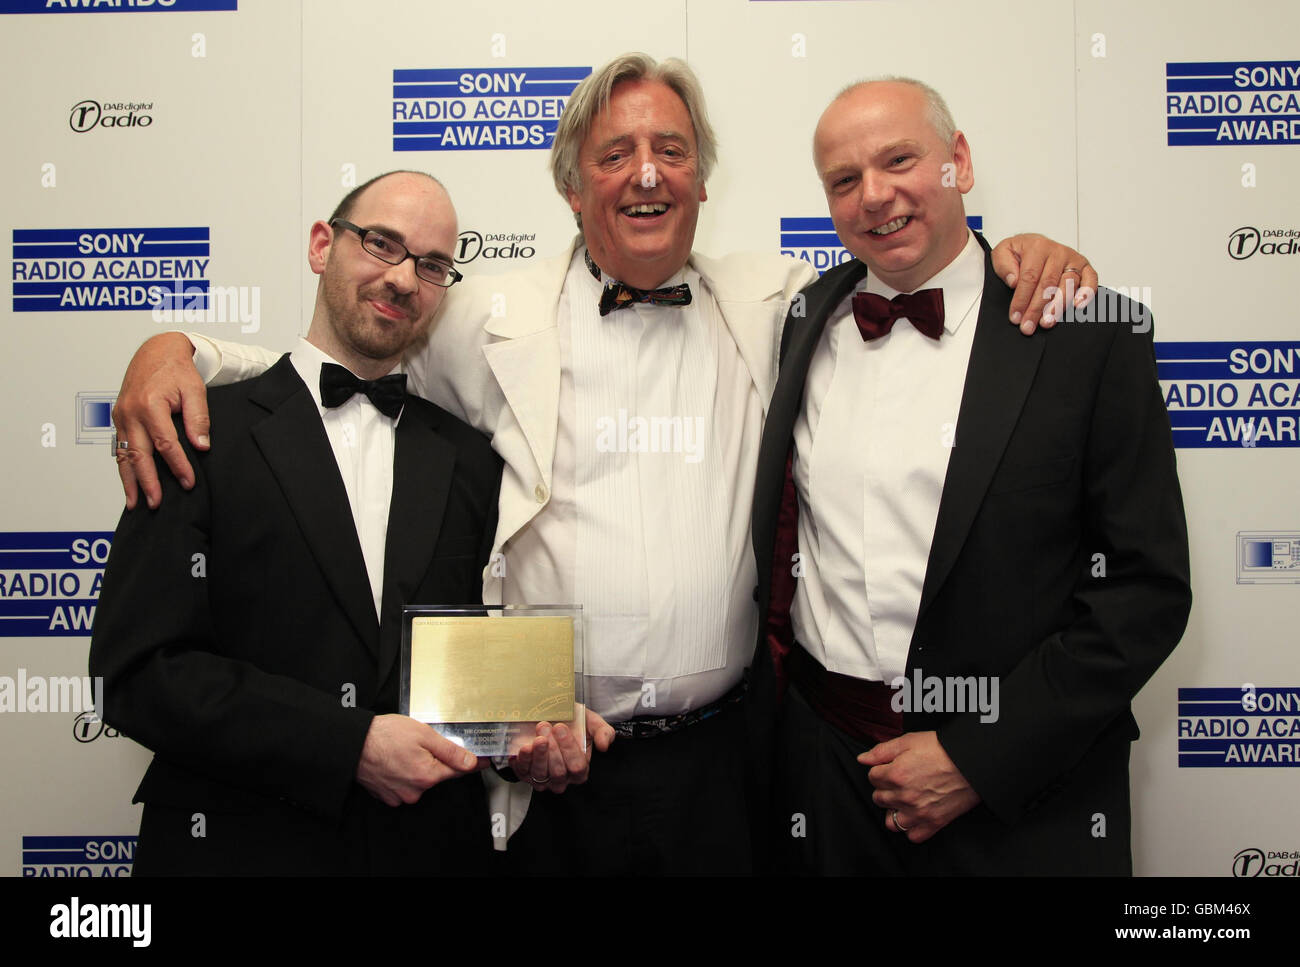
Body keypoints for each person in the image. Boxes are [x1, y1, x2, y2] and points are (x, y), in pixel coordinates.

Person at [108, 55, 1096, 875]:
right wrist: (184, 354)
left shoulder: (782, 303)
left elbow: (916, 262)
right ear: (572, 186)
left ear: (704, 180)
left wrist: (1011, 252)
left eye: (671, 150)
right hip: (544, 769)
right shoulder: (483, 315)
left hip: (725, 765)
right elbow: (360, 336)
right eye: (614, 154)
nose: (647, 173)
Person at [750, 79, 1192, 874]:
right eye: (844, 181)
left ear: (958, 161)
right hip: (827, 781)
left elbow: (1143, 591)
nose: (874, 195)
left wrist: (980, 755)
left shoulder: (1087, 333)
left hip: (1021, 795)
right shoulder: (801, 317)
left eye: (899, 160)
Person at [89, 171, 507, 874]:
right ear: (322, 245)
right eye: (382, 244)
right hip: (237, 847)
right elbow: (139, 673)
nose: (404, 278)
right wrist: (348, 745)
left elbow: (471, 658)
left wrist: (541, 719)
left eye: (431, 265)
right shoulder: (193, 428)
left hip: (427, 849)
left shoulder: (468, 458)